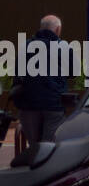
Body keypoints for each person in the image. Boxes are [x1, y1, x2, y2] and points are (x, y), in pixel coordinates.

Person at [12, 15, 67, 146]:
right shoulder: (62, 47)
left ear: (41, 27)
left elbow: (17, 74)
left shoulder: (25, 46)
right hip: (53, 105)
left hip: (29, 104)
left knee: (34, 146)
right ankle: (46, 164)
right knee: (48, 146)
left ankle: (34, 163)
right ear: (58, 29)